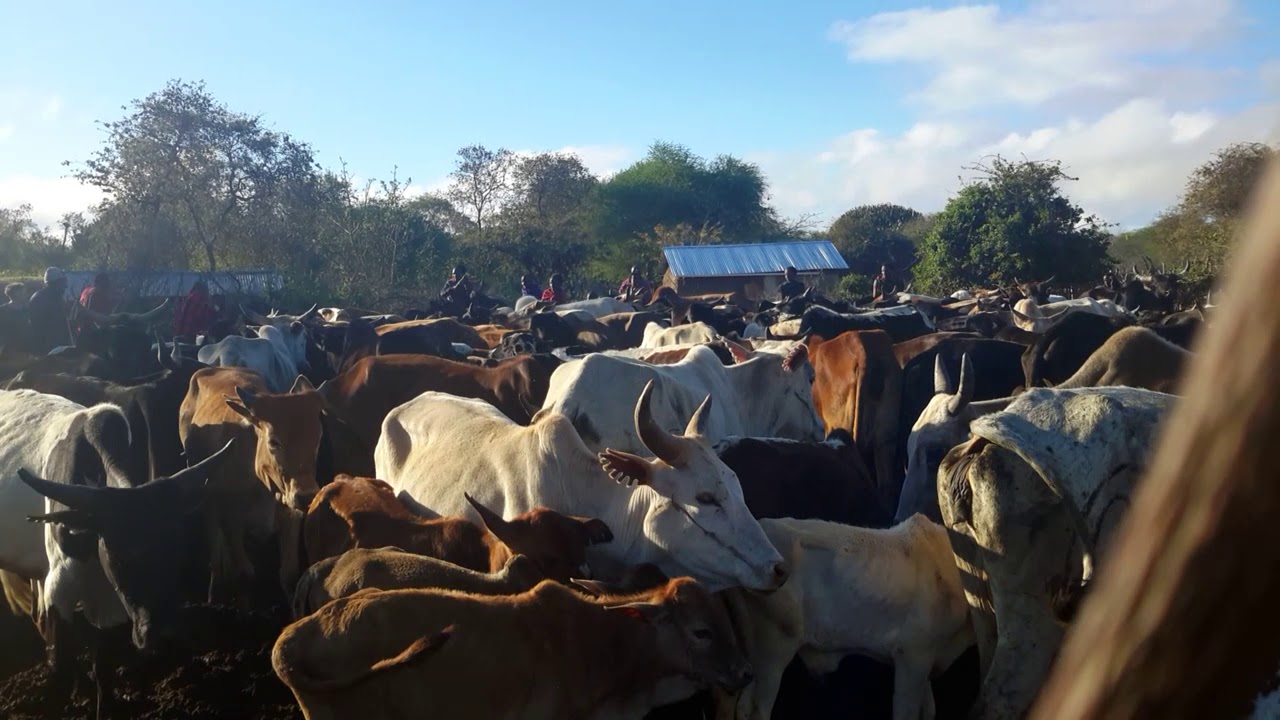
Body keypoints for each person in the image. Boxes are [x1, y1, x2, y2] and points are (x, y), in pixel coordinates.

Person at [25, 267, 71, 353]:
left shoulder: (57, 297)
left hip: (59, 343)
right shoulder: (40, 299)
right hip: (46, 346)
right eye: (63, 283)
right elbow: (37, 325)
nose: (66, 286)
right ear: (55, 283)